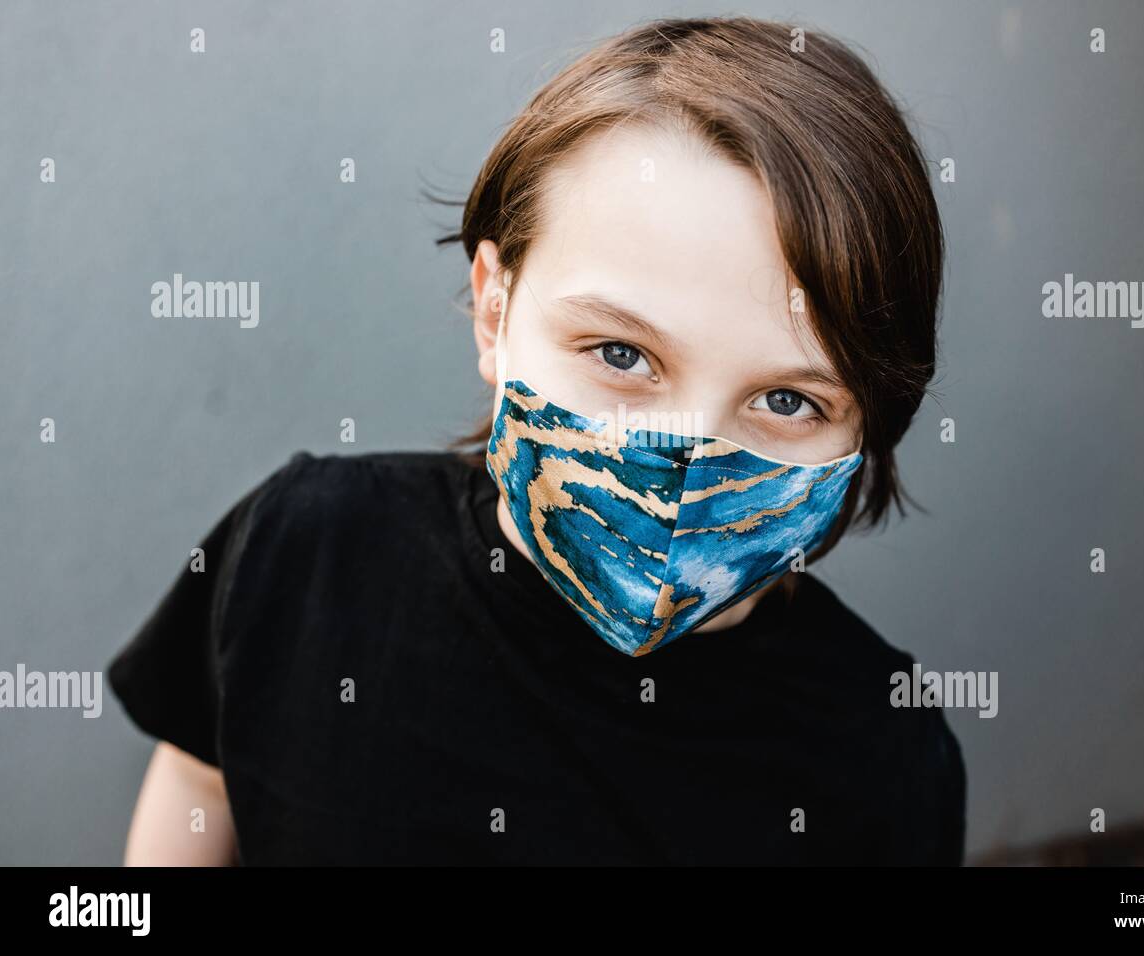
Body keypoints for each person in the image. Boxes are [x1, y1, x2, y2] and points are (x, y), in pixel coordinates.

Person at [107, 15, 965, 865]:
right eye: (622, 354)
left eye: (786, 398)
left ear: (870, 422)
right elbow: (202, 783)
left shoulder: (884, 758)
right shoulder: (307, 550)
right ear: (495, 309)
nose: (683, 461)